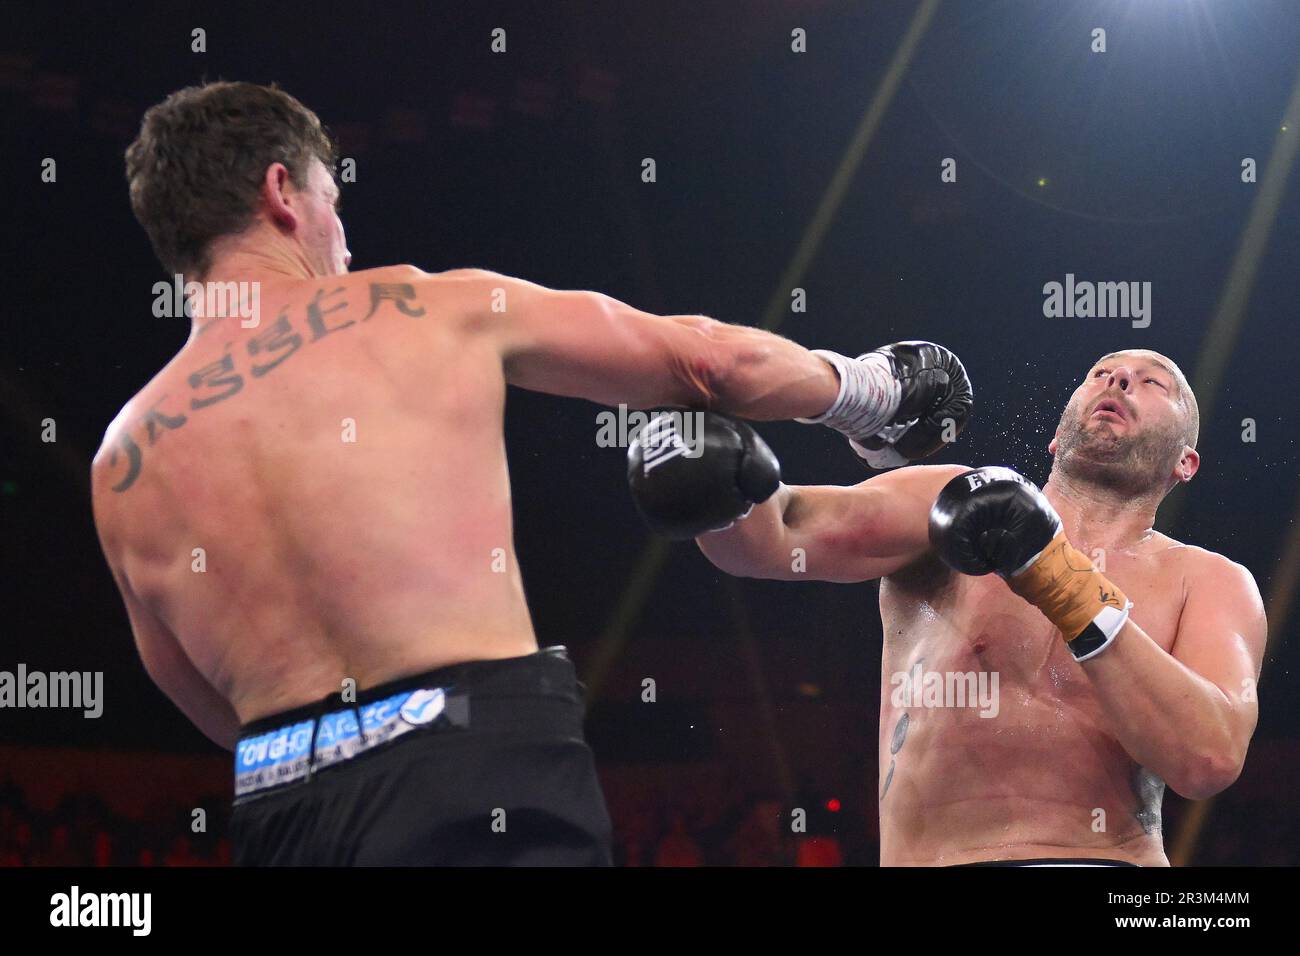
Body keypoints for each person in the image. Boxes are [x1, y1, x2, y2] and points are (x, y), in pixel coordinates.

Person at [91, 80, 970, 865]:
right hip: (469, 760)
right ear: (281, 191)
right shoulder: (418, 306)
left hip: (284, 806)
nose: (343, 238)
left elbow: (204, 699)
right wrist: (868, 391)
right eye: (332, 199)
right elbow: (706, 365)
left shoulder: (125, 459)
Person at [635, 349, 1266, 866]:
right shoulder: (948, 500)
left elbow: (1207, 759)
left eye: (1153, 382)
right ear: (1054, 437)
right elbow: (779, 535)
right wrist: (708, 478)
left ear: (1186, 462)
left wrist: (1055, 575)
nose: (1120, 378)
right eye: (1100, 372)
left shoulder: (1208, 581)